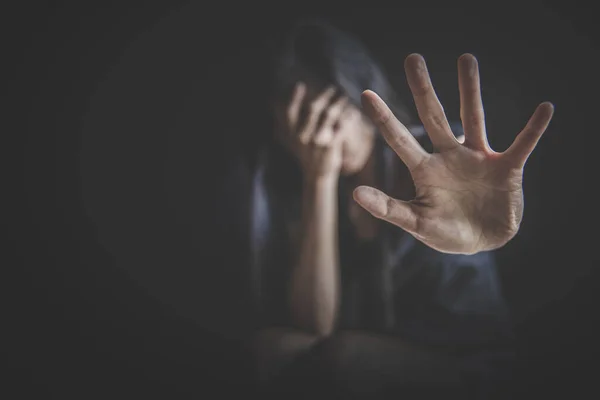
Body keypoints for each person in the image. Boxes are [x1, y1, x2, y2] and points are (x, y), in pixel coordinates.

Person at [214, 19, 553, 398]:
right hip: (357, 356)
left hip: (460, 360)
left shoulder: (435, 164)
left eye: (323, 114)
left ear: (361, 100)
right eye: (295, 124)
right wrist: (319, 180)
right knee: (270, 350)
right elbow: (313, 326)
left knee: (341, 357)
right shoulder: (287, 190)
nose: (314, 136)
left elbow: (333, 351)